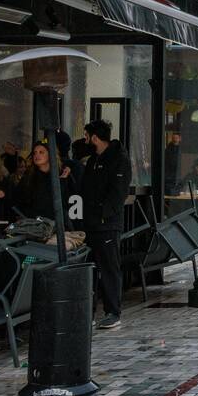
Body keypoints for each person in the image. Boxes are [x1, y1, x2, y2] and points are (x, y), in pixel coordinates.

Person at [80, 119, 132, 330]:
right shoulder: (93, 160)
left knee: (109, 267)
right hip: (91, 224)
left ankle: (113, 312)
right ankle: (88, 312)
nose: (84, 141)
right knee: (90, 269)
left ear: (94, 137)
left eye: (86, 137)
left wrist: (103, 214)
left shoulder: (118, 159)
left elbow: (119, 191)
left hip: (107, 224)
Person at [13, 140, 73, 222]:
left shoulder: (61, 173)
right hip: (34, 223)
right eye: (35, 152)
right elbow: (19, 197)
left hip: (56, 223)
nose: (37, 155)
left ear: (50, 154)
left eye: (41, 152)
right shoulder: (29, 175)